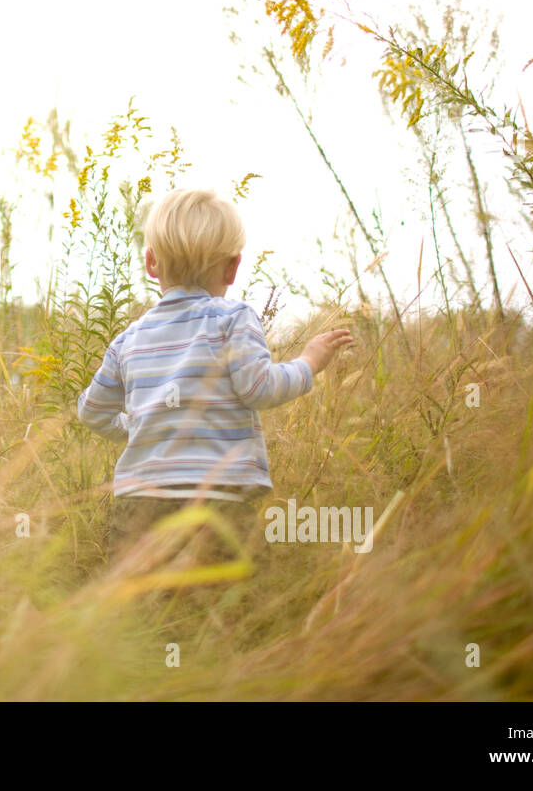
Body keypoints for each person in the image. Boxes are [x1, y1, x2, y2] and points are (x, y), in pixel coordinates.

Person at [76, 187, 354, 562]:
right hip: (218, 500)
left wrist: (144, 426)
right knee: (232, 609)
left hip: (139, 506)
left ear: (151, 262)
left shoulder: (127, 341)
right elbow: (258, 387)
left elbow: (91, 412)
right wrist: (308, 363)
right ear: (232, 267)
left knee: (141, 613)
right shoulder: (232, 319)